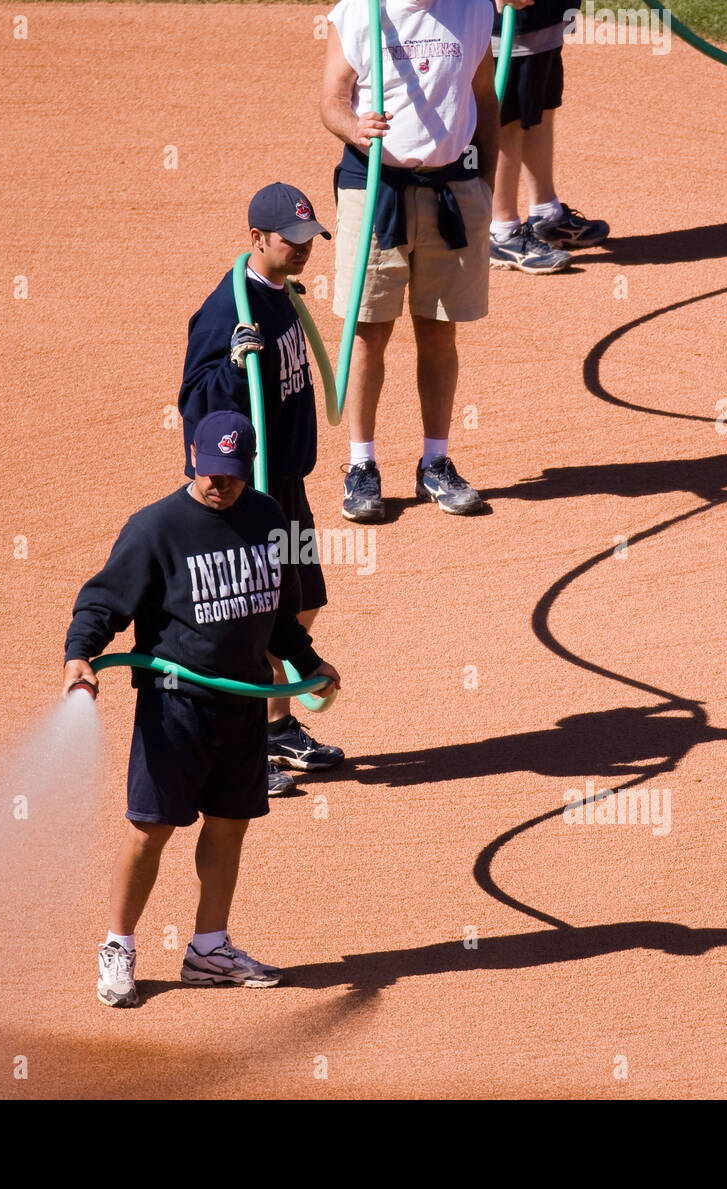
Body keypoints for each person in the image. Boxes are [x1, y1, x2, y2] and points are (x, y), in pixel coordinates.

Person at [62, 410, 341, 1008]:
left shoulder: (267, 516)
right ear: (193, 455)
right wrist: (80, 657)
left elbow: (279, 614)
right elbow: (102, 602)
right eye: (212, 472)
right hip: (175, 709)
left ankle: (208, 949)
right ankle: (119, 947)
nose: (221, 484)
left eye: (234, 475)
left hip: (243, 708)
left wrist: (307, 663)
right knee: (150, 829)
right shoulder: (155, 528)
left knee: (229, 825)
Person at [178, 183, 344, 797]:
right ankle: (244, 745)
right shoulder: (229, 311)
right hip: (246, 492)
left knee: (303, 600)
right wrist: (227, 366)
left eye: (309, 240)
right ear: (256, 239)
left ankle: (277, 727)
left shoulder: (282, 296)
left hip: (286, 486)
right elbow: (194, 403)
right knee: (251, 620)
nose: (304, 251)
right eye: (291, 241)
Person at [321, 0, 500, 522]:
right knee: (369, 332)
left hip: (454, 189)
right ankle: (361, 466)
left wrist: (484, 183)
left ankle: (435, 462)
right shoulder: (356, 12)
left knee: (440, 330)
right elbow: (331, 99)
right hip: (374, 188)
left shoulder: (472, 9)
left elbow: (484, 97)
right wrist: (354, 127)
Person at [489, 0, 610, 274]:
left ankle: (546, 214)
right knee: (508, 121)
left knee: (541, 109)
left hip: (546, 15)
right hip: (508, 21)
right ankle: (502, 231)